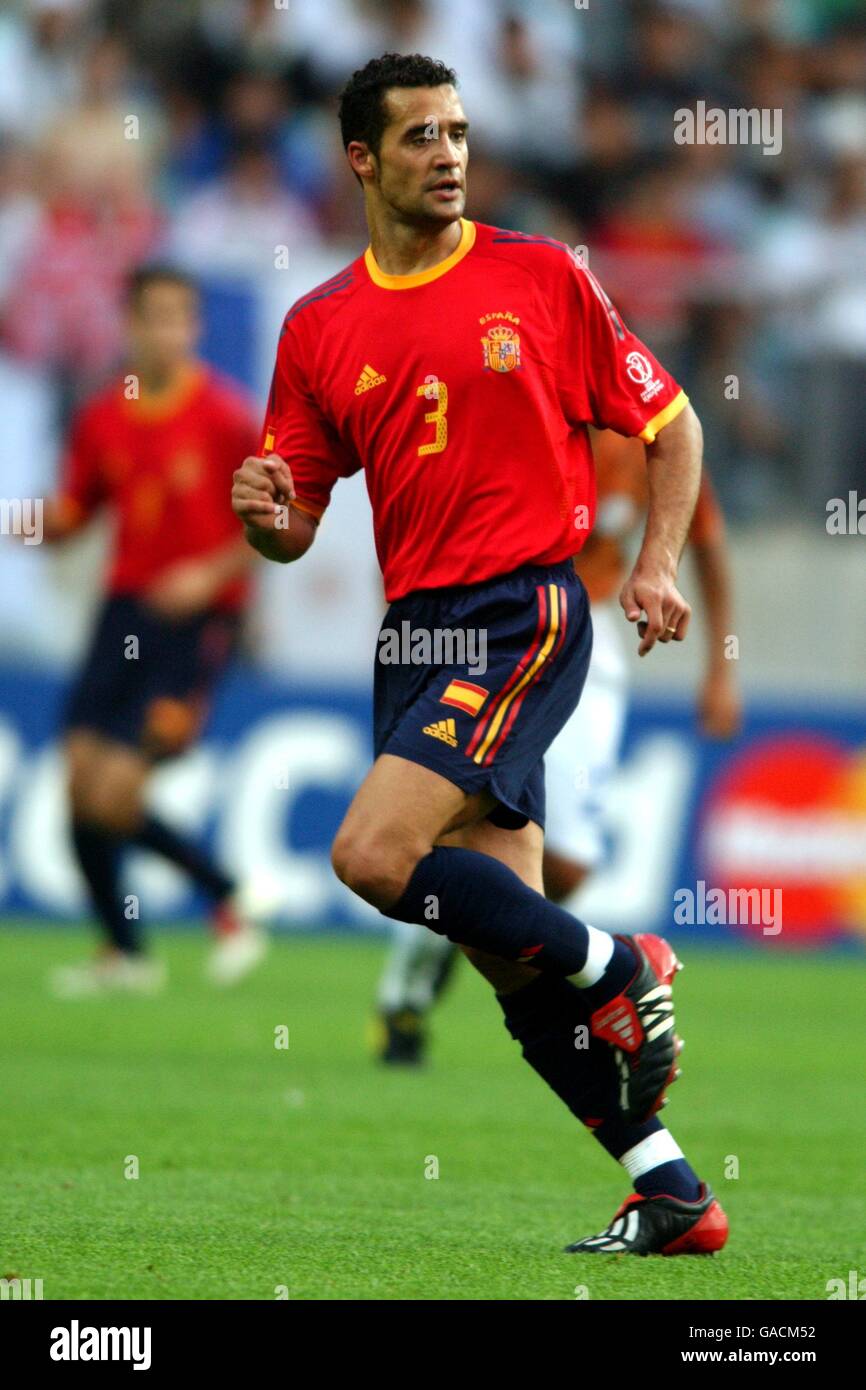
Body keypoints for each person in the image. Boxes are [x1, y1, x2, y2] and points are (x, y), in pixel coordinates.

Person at [232, 53, 728, 1257]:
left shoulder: (540, 276)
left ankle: (619, 958)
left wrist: (654, 567)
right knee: (504, 959)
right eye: (418, 137)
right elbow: (294, 522)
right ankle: (667, 1189)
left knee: (368, 852)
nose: (447, 153)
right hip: (413, 632)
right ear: (361, 156)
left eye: (456, 132)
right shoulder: (320, 326)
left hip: (521, 611)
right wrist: (266, 518)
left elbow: (671, 427)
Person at [374, 433, 741, 1061]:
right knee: (463, 826)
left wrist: (721, 667)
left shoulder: (651, 423)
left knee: (564, 868)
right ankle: (407, 996)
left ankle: (441, 944)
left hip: (586, 636)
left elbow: (705, 539)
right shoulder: (527, 399)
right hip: (498, 624)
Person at [38, 265, 268, 994]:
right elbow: (77, 514)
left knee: (115, 791)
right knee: (79, 782)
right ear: (130, 325)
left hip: (198, 620)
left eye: (181, 318)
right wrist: (27, 520)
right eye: (155, 317)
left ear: (194, 328)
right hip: (122, 611)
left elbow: (276, 521)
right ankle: (126, 951)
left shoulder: (228, 416)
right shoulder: (104, 415)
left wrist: (207, 574)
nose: (168, 332)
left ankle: (225, 889)